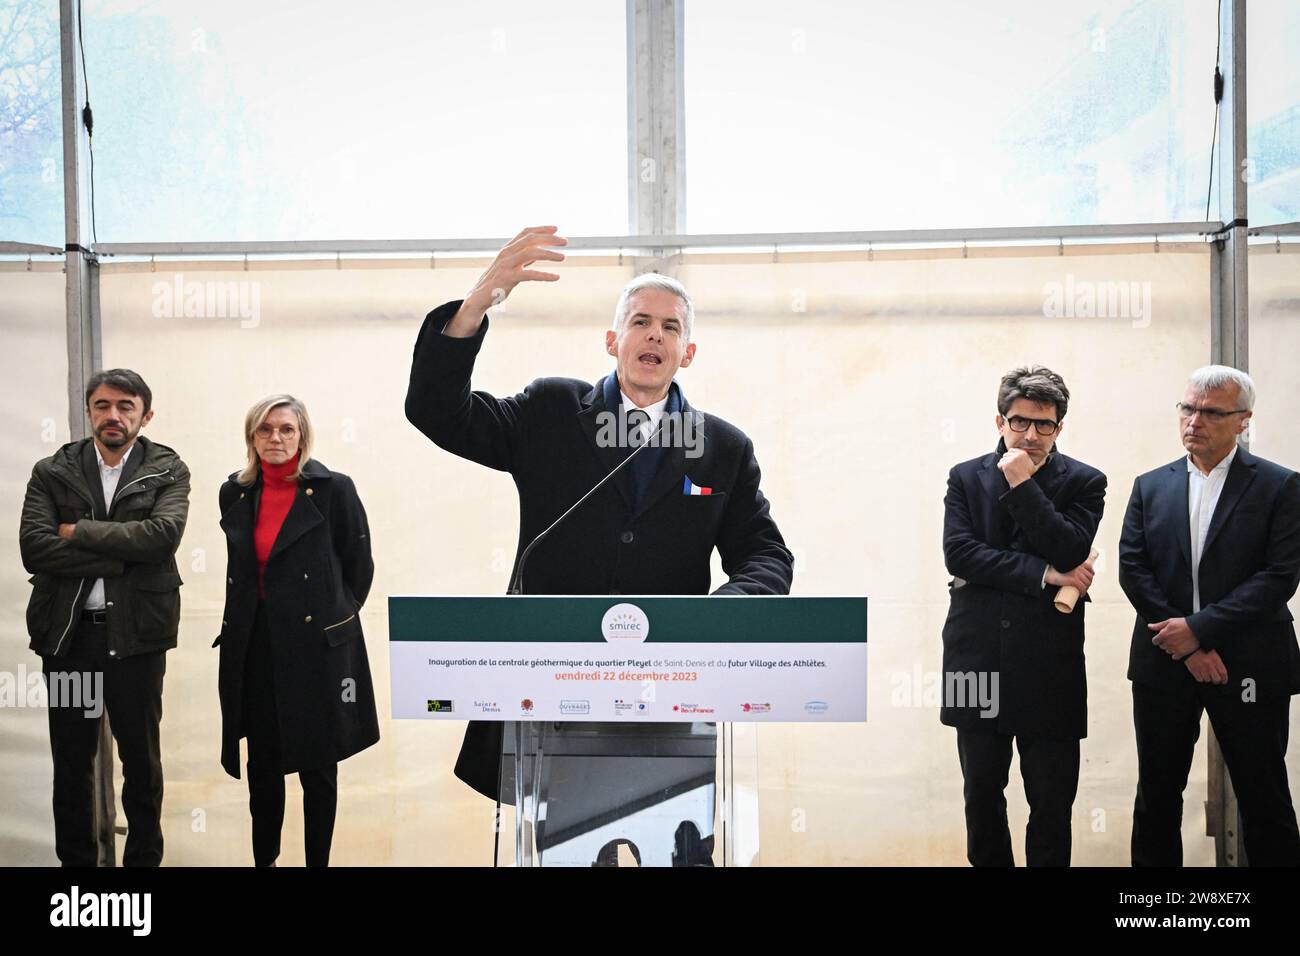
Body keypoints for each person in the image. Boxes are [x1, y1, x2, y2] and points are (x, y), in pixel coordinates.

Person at [404, 225, 793, 858]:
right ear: (613, 340)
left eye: (671, 328)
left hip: (669, 699)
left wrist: (724, 608)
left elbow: (767, 555)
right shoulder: (550, 411)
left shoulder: (723, 448)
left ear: (687, 353)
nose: (655, 335)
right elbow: (437, 412)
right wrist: (478, 302)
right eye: (641, 322)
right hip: (551, 697)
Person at [1119, 365, 1300, 866]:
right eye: (1187, 408)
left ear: (1243, 420)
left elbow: (1279, 577)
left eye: (1211, 412)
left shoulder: (1280, 487)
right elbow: (1133, 570)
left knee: (1263, 793)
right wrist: (1188, 646)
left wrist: (1198, 631)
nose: (1194, 421)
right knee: (1156, 794)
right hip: (1164, 662)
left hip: (1249, 663)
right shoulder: (1150, 485)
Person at [20, 368, 191, 866]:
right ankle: (77, 875)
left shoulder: (167, 468)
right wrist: (122, 554)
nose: (112, 415)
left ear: (145, 415)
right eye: (102, 405)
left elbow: (161, 537)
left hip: (137, 640)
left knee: (141, 763)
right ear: (89, 410)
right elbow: (36, 548)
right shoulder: (53, 470)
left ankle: (141, 869)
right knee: (72, 764)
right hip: (71, 642)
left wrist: (76, 532)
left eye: (125, 406)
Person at [940, 366, 1106, 866]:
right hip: (976, 655)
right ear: (999, 421)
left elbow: (1071, 545)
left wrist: (1019, 482)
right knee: (982, 795)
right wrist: (1046, 576)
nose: (1030, 435)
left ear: (1060, 427)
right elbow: (960, 554)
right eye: (1019, 422)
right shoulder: (965, 476)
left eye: (1044, 425)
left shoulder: (1085, 481)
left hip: (1048, 661)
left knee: (1052, 802)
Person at [215, 394, 379, 867]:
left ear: (303, 436)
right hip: (256, 646)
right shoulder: (235, 491)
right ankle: (264, 860)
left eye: (286, 429)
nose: (276, 439)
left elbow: (358, 565)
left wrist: (334, 620)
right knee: (262, 767)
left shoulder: (334, 489)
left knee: (317, 770)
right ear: (252, 437)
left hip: (316, 651)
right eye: (265, 430)